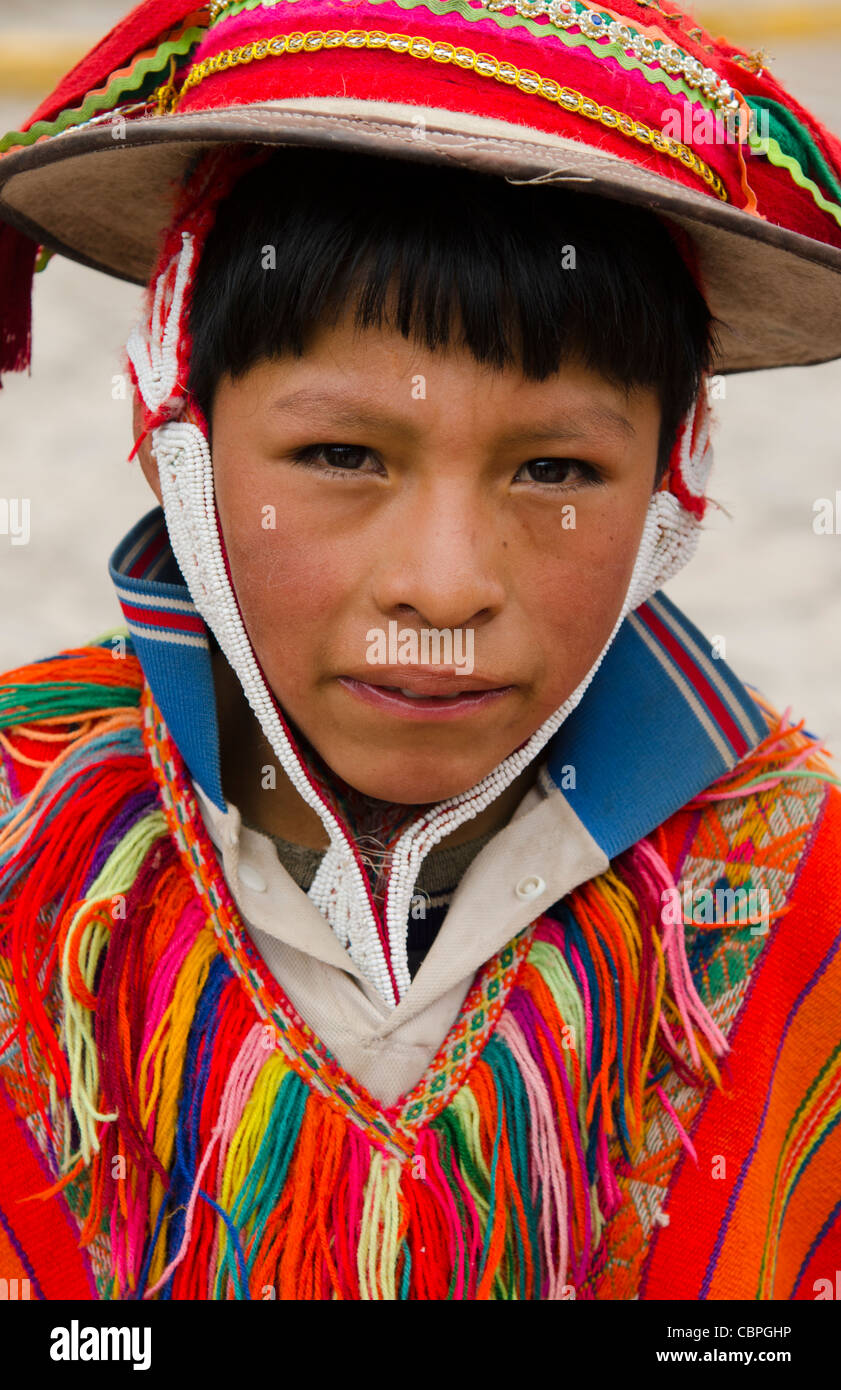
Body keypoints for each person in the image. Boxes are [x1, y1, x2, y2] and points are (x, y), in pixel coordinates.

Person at [0, 0, 840, 1302]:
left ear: (675, 484)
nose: (441, 583)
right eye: (341, 457)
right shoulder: (27, 845)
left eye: (554, 467)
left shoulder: (795, 895)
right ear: (180, 425)